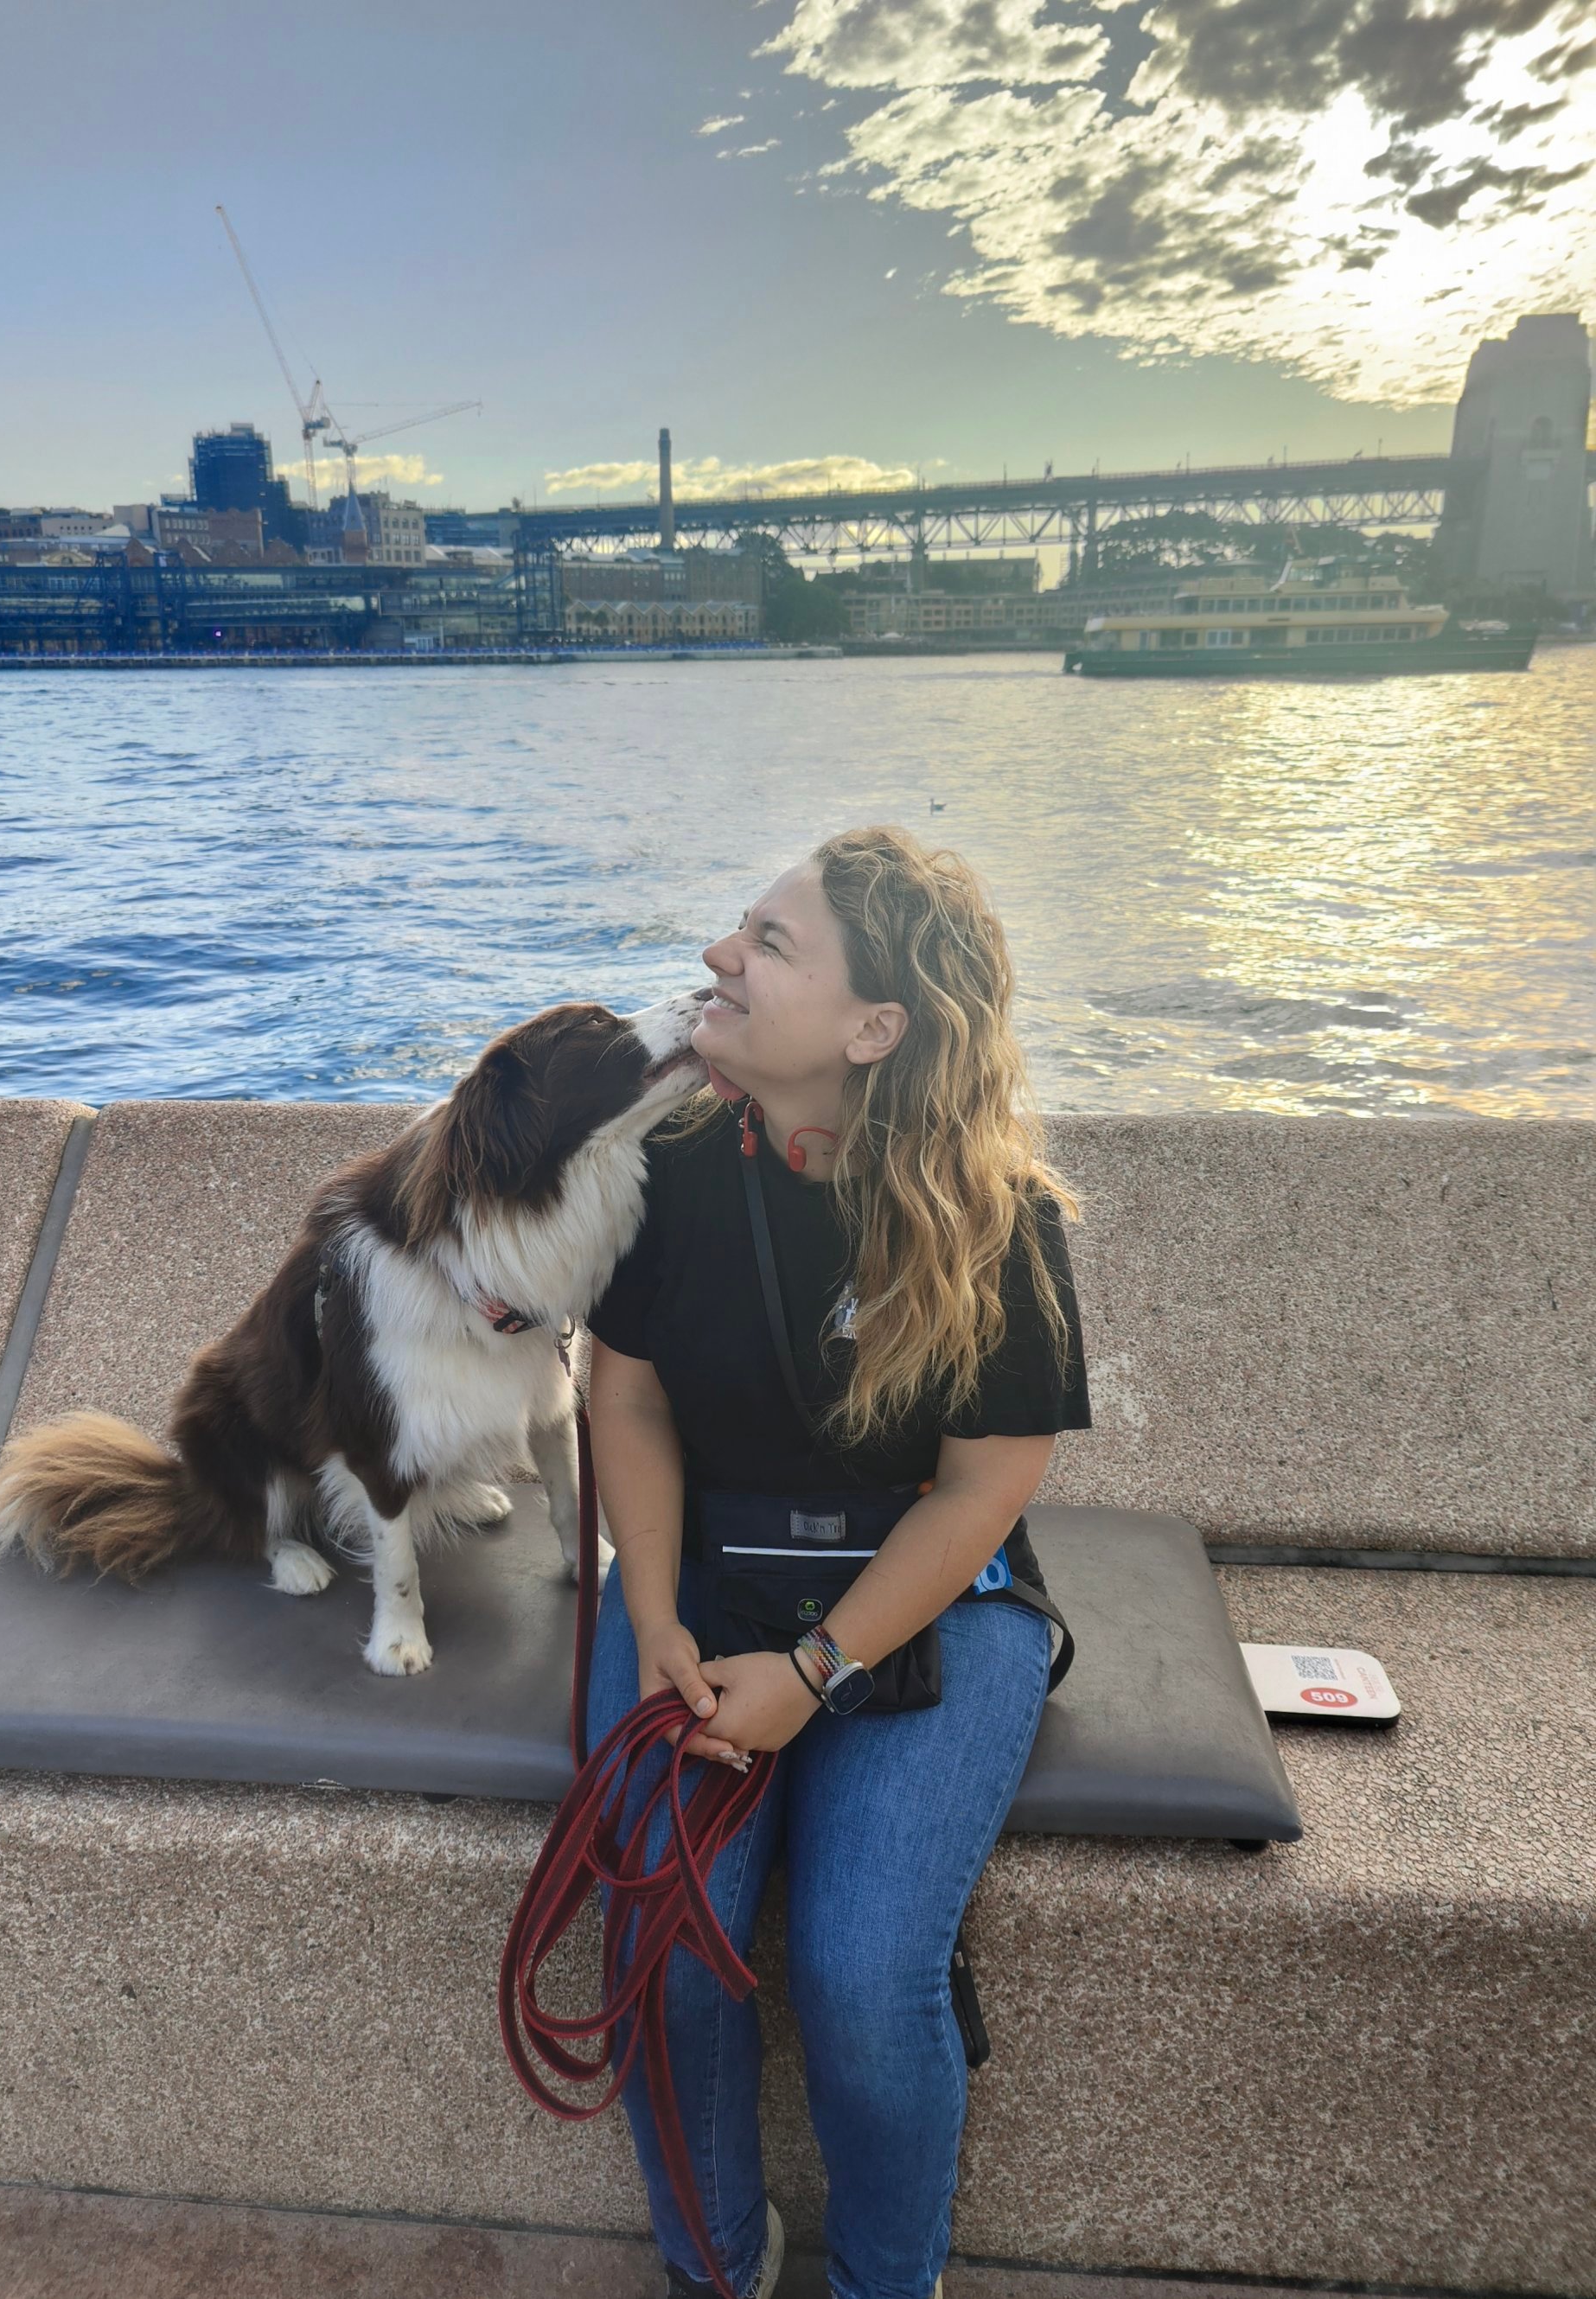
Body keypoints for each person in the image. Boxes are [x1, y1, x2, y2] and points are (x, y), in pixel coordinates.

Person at [586, 825, 1093, 2299]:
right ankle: (718, 2267)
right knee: (670, 1949)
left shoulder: (1002, 1221)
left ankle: (890, 2284)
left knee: (867, 1980)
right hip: (704, 1568)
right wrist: (660, 1618)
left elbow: (985, 1489)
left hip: (927, 1592)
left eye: (769, 944)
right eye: (738, 928)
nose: (717, 959)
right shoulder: (669, 1159)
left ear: (876, 1031)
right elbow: (622, 1393)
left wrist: (814, 1675)